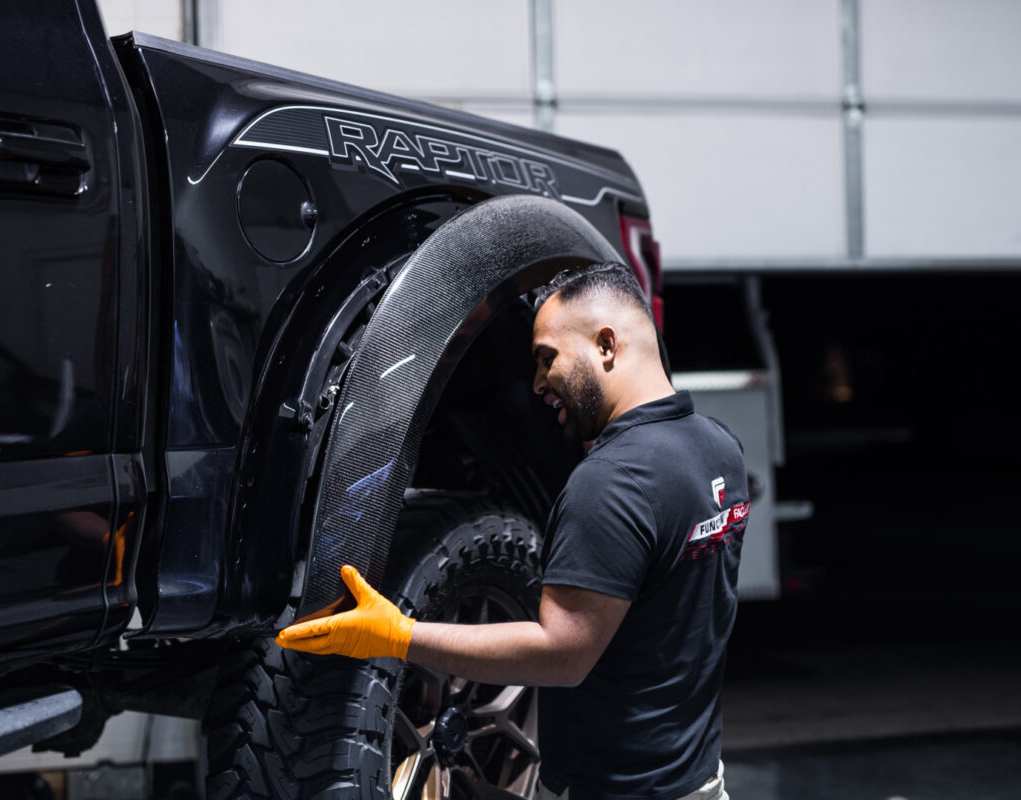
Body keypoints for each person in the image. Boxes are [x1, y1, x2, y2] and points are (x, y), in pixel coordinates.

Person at [277, 261, 748, 800]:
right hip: (700, 783)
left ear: (607, 346)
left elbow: (562, 653)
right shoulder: (720, 448)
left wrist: (398, 635)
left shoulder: (610, 483)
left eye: (548, 358)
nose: (538, 382)